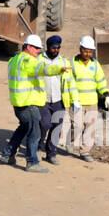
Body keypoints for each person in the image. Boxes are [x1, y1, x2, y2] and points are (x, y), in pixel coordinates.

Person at [0, 35, 51, 173]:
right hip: (28, 104)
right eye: (36, 48)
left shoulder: (14, 60)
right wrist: (59, 68)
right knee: (34, 133)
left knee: (23, 128)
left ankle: (7, 154)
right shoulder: (28, 60)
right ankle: (32, 162)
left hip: (18, 103)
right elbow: (43, 68)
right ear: (28, 47)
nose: (38, 51)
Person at [64, 35, 109, 162]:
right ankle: (70, 140)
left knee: (90, 127)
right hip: (77, 102)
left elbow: (101, 81)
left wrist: (106, 95)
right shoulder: (72, 63)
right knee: (77, 126)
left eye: (90, 51)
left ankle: (85, 151)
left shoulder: (95, 65)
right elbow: (68, 81)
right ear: (80, 49)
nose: (88, 53)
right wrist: (70, 100)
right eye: (85, 50)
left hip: (91, 102)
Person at [39, 35, 74, 164]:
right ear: (48, 47)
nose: (56, 50)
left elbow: (70, 82)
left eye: (58, 48)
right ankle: (38, 148)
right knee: (44, 124)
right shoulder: (39, 60)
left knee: (57, 127)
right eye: (54, 48)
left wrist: (74, 99)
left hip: (59, 100)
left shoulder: (64, 62)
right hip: (43, 99)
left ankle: (51, 154)